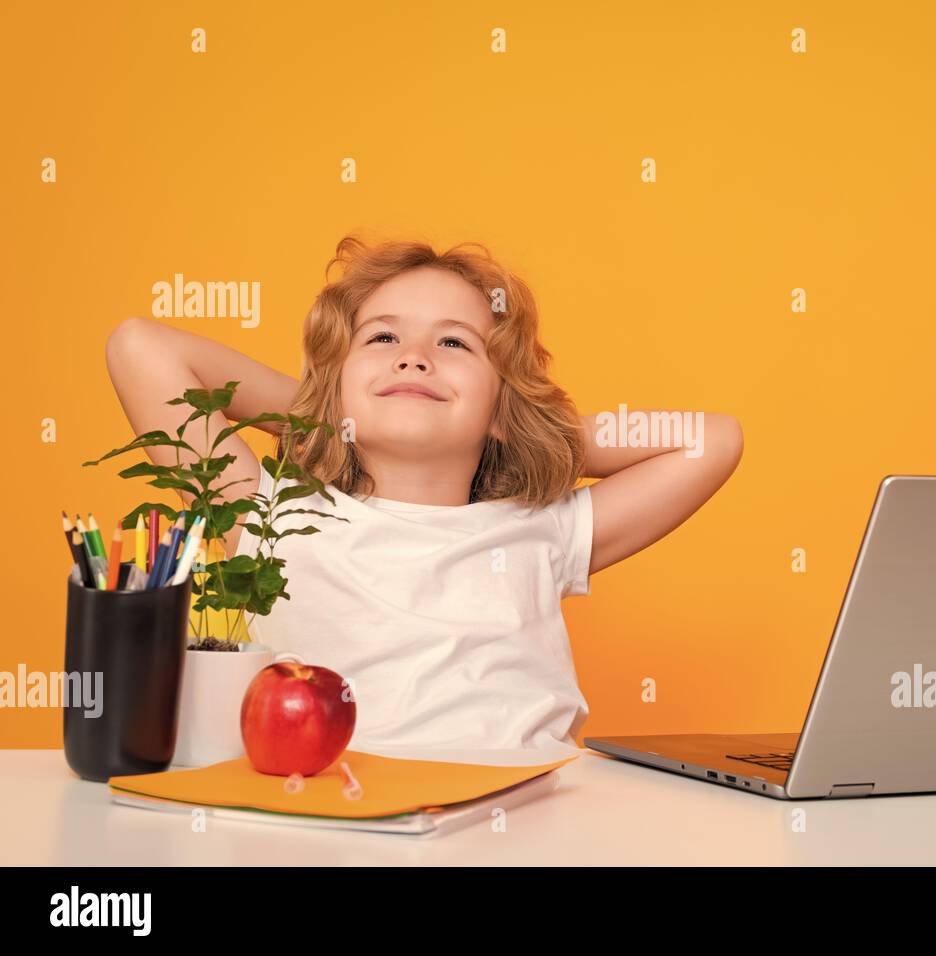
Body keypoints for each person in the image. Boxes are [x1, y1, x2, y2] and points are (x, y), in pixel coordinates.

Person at [104, 234, 743, 761]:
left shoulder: (538, 530)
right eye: (382, 339)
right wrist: (319, 412)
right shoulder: (273, 517)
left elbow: (711, 440)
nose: (413, 358)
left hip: (527, 816)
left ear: (500, 405)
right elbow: (140, 346)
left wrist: (529, 425)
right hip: (337, 821)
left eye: (454, 343)